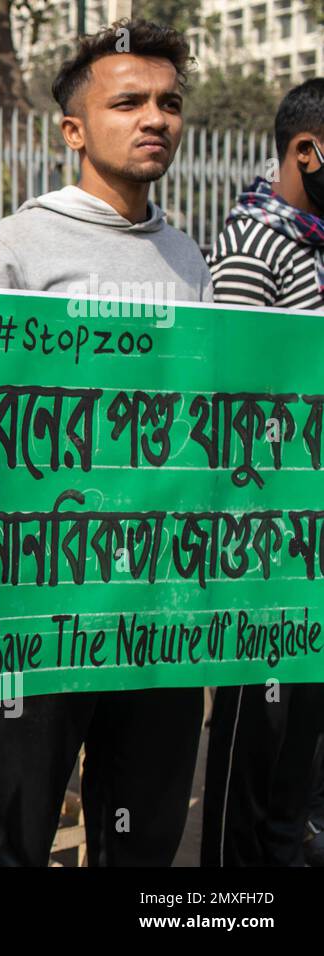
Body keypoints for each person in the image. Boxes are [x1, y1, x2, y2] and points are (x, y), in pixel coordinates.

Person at [0, 20, 213, 866]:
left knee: (145, 833)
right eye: (128, 102)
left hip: (162, 606)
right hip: (48, 606)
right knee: (11, 837)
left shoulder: (186, 255)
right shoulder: (12, 247)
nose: (154, 118)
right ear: (74, 129)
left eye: (168, 102)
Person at [200, 78, 324, 867]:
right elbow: (233, 401)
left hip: (312, 541)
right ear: (308, 152)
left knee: (299, 764)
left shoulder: (314, 246)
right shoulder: (253, 247)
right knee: (257, 753)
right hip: (267, 550)